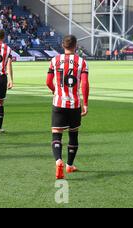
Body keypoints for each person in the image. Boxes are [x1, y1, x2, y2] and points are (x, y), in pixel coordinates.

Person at [46, 35, 89, 179]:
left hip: (59, 102)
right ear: (75, 46)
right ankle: (70, 165)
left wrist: (55, 91)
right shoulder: (82, 62)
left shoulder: (54, 60)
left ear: (63, 45)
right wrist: (86, 104)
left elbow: (48, 82)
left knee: (57, 134)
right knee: (73, 134)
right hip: (74, 104)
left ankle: (59, 161)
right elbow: (84, 84)